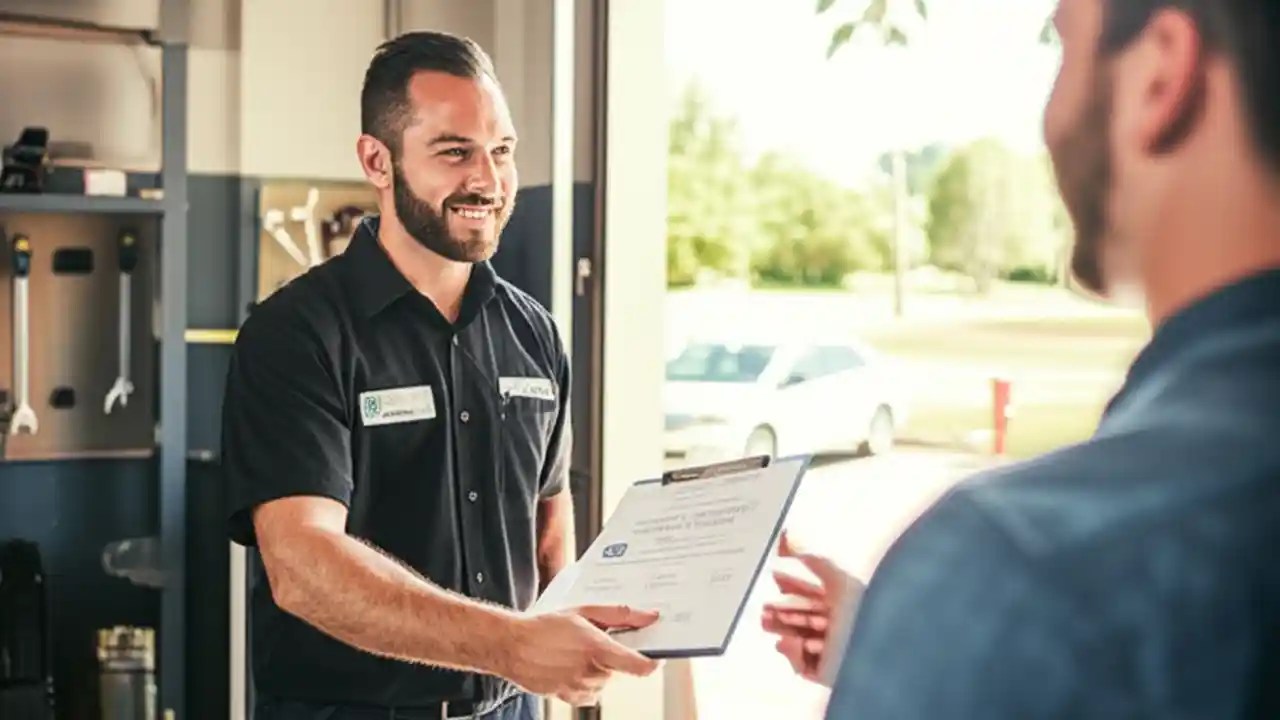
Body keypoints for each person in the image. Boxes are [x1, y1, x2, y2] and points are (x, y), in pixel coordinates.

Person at [764, 0, 1280, 716]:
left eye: (1061, 43)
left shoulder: (1017, 562)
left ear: (1161, 75)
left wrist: (943, 640)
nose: (1048, 116)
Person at [222, 31, 659, 720]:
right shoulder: (296, 334)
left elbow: (548, 523)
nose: (486, 179)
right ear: (377, 160)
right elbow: (303, 566)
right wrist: (511, 645)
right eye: (455, 152)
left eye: (502, 152)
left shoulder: (535, 334)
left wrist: (569, 635)